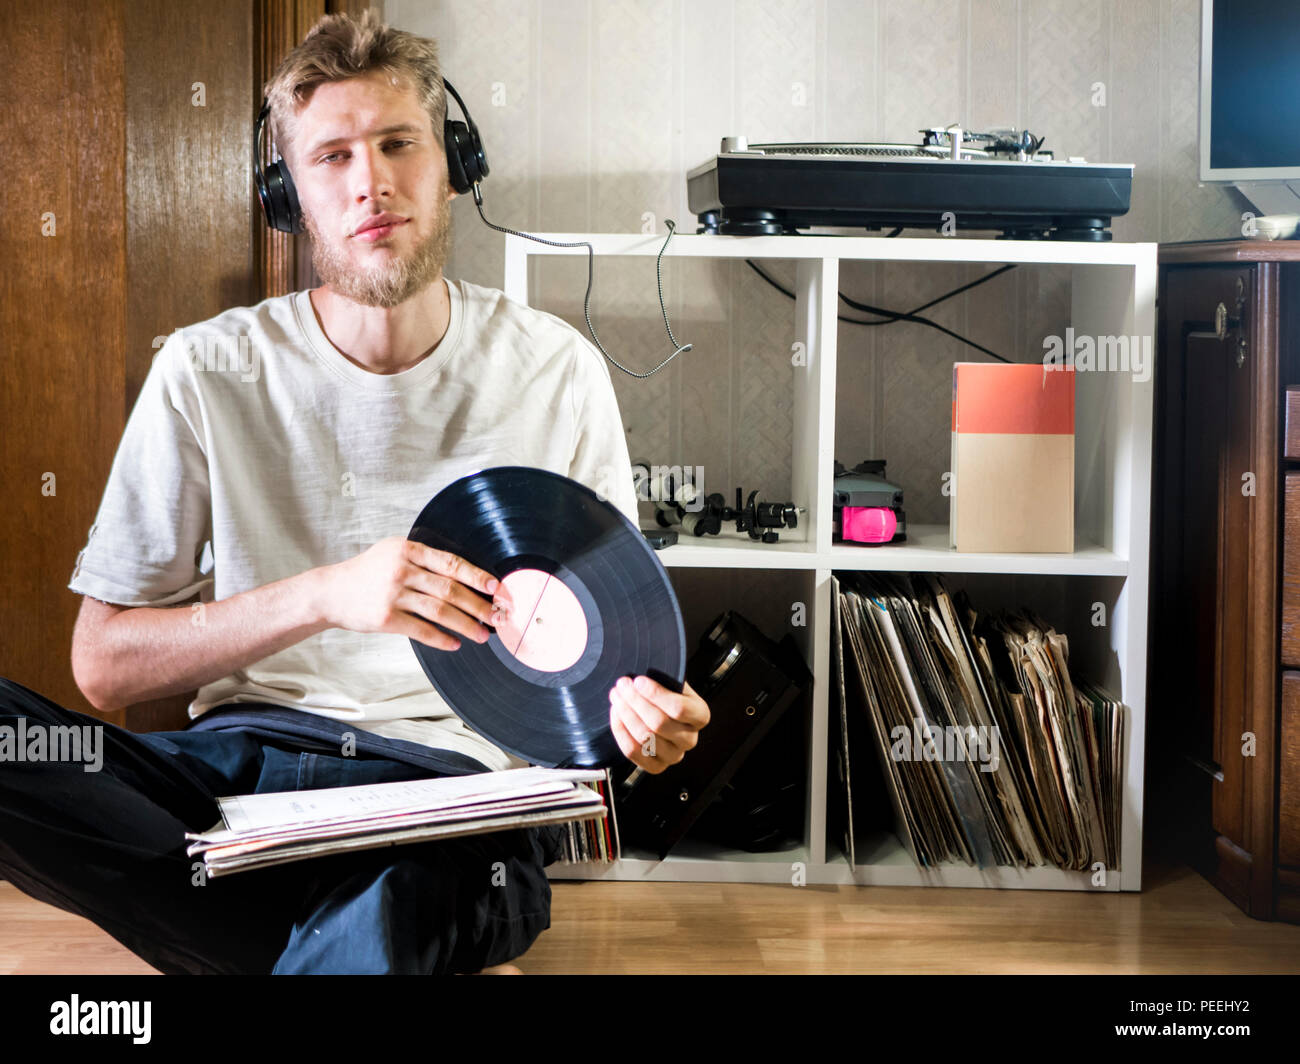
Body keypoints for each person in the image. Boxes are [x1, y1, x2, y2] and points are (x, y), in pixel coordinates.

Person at [0, 8, 709, 975]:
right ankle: (315, 929)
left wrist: (649, 724)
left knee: (411, 893)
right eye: (330, 156)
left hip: (453, 800)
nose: (369, 180)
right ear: (286, 194)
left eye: (396, 143)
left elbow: (614, 661)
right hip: (232, 787)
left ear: (451, 161)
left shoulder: (558, 371)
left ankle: (285, 927)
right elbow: (105, 665)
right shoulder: (208, 370)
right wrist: (326, 595)